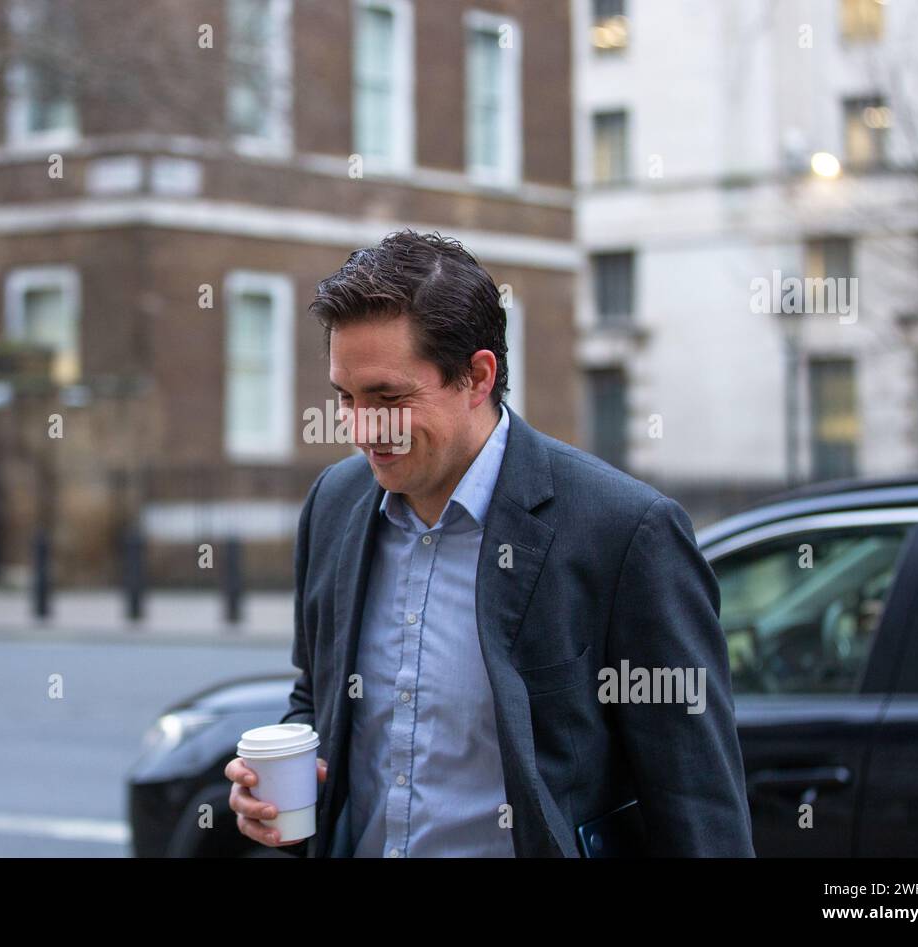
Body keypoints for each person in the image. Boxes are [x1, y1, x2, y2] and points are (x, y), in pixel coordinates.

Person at [226, 230, 755, 857]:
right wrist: (280, 777)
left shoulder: (626, 532)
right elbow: (315, 697)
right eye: (346, 398)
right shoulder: (334, 506)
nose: (361, 429)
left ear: (478, 377)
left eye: (387, 399)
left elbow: (696, 799)